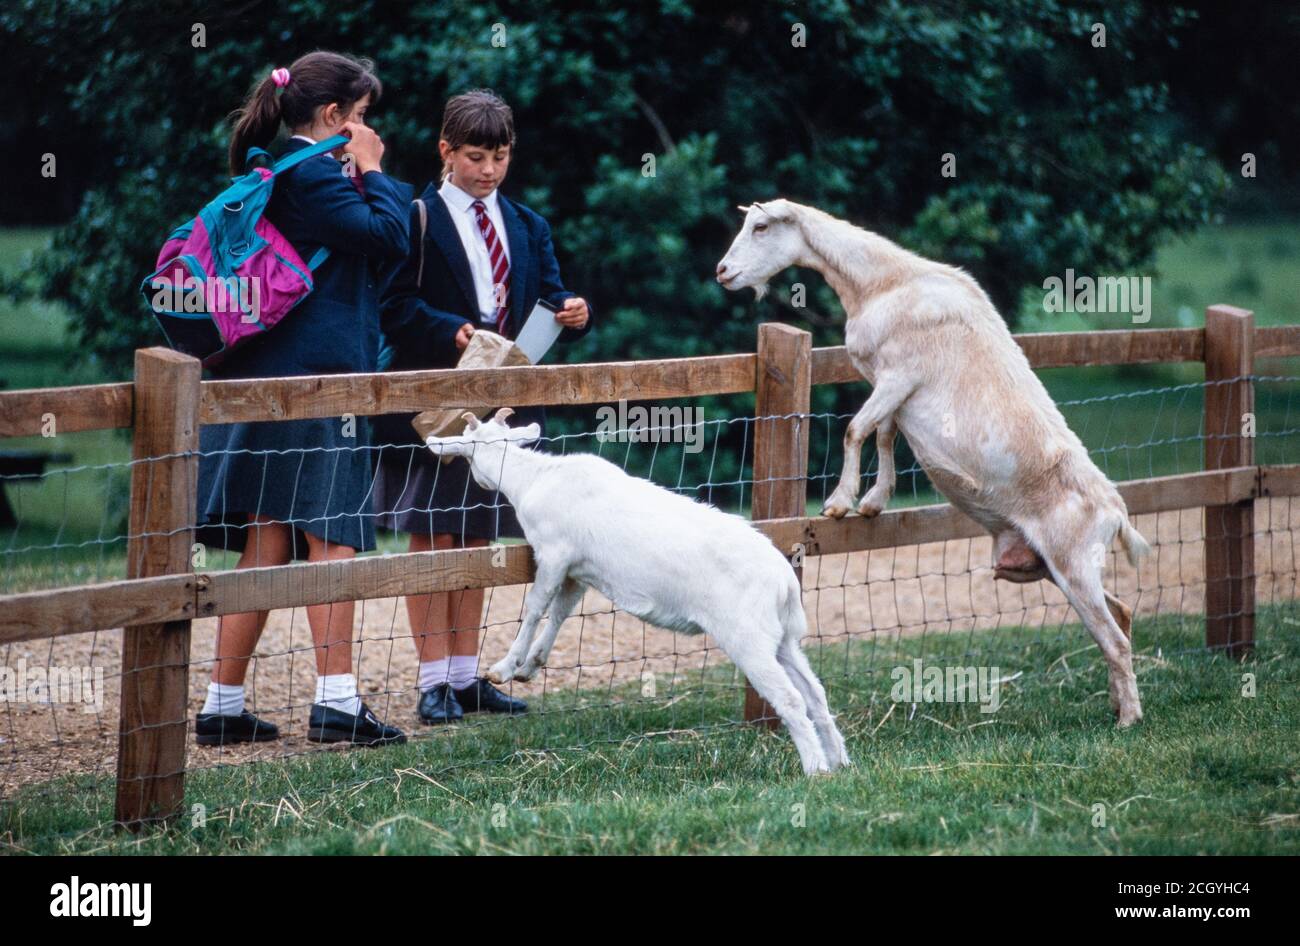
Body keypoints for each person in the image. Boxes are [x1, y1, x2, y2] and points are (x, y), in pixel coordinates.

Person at [193, 51, 410, 747]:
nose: (367, 129)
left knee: (267, 537)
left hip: (266, 375)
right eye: (362, 117)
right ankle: (338, 704)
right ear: (332, 117)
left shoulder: (272, 167)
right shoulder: (315, 173)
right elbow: (388, 238)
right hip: (318, 381)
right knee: (335, 531)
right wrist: (374, 168)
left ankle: (222, 706)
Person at [374, 89, 594, 725]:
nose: (489, 170)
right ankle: (431, 679)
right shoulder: (415, 218)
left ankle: (468, 677)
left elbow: (549, 299)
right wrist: (452, 329)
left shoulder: (528, 225)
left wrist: (573, 311)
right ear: (446, 151)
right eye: (475, 157)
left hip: (504, 408)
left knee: (476, 533)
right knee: (431, 535)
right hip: (435, 402)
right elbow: (392, 307)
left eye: (499, 157)